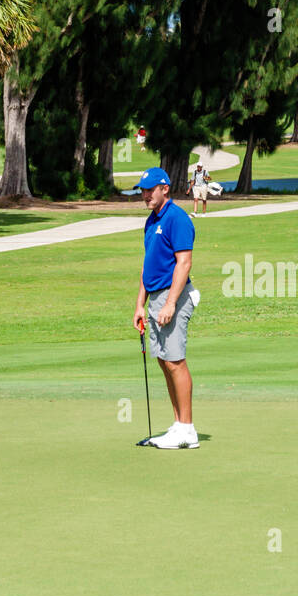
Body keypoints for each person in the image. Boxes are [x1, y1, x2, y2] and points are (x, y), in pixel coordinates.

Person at [133, 167, 199, 449]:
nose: (145, 195)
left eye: (150, 190)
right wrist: (139, 304)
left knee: (175, 360)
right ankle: (177, 425)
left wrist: (171, 303)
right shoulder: (151, 221)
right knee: (163, 360)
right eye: (143, 190)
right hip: (156, 297)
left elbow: (184, 263)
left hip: (174, 296)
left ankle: (188, 430)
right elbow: (148, 265)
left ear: (165, 189)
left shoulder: (177, 218)